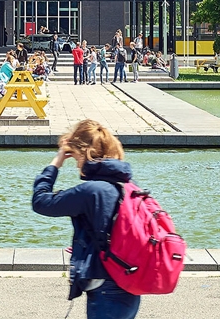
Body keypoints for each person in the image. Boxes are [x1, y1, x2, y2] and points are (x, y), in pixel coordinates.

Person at [32, 119, 140, 319]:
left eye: (75, 158)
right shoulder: (127, 185)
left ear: (83, 153)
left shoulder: (91, 190)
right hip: (128, 280)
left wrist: (56, 162)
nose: (76, 165)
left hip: (106, 286)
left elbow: (41, 202)